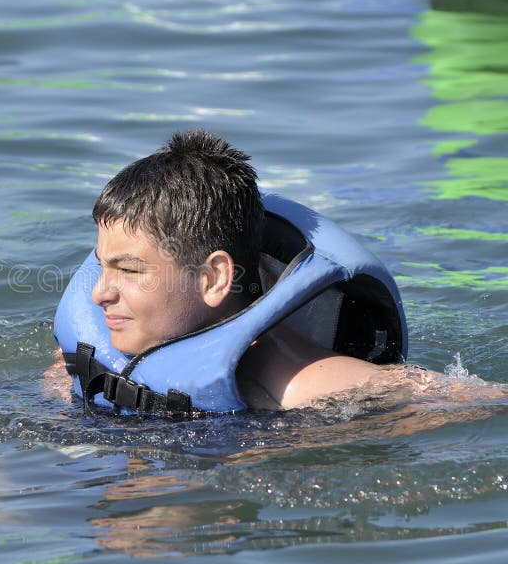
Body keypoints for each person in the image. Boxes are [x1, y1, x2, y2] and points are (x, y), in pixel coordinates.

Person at [47, 130, 429, 410]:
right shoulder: (98, 344)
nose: (99, 293)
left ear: (212, 279)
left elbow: (472, 403)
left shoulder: (301, 385)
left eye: (129, 271)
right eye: (103, 268)